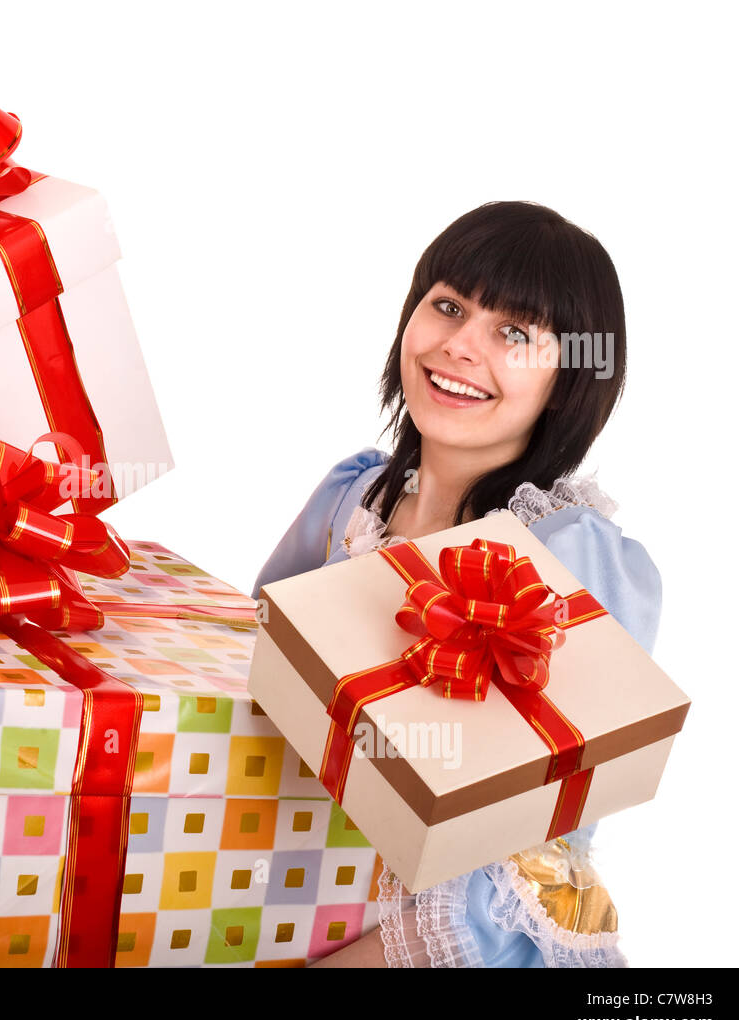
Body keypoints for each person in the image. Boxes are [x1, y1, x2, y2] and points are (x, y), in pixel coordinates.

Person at [252, 201, 662, 967]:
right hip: (293, 902)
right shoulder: (352, 498)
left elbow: (539, 843)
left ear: (569, 377)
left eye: (514, 333)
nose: (459, 345)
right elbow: (251, 680)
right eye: (447, 305)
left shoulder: (570, 553)